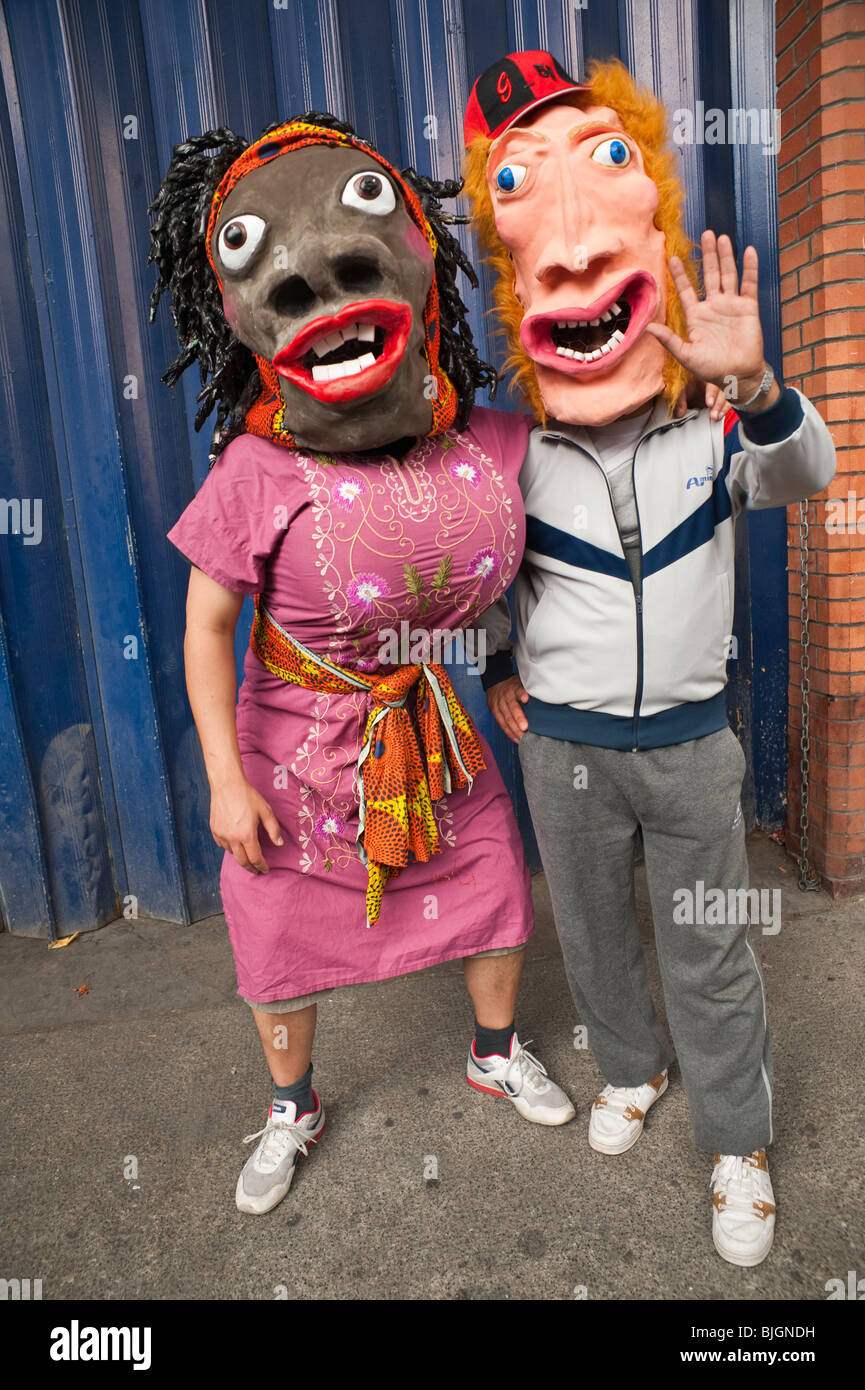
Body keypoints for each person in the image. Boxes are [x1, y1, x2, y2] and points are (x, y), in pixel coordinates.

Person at [149, 113, 574, 1216]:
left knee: (488, 879)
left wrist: (704, 408)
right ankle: (293, 1107)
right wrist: (223, 779)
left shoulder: (485, 439)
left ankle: (493, 1048)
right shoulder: (251, 471)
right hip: (294, 744)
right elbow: (205, 628)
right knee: (279, 927)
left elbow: (520, 549)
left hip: (429, 725)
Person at [463, 52, 836, 1266]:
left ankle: (738, 1144)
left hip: (687, 748)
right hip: (566, 749)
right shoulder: (513, 451)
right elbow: (477, 575)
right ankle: (630, 1070)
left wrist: (761, 381)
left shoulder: (714, 428)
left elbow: (806, 476)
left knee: (709, 940)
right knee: (594, 937)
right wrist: (494, 679)